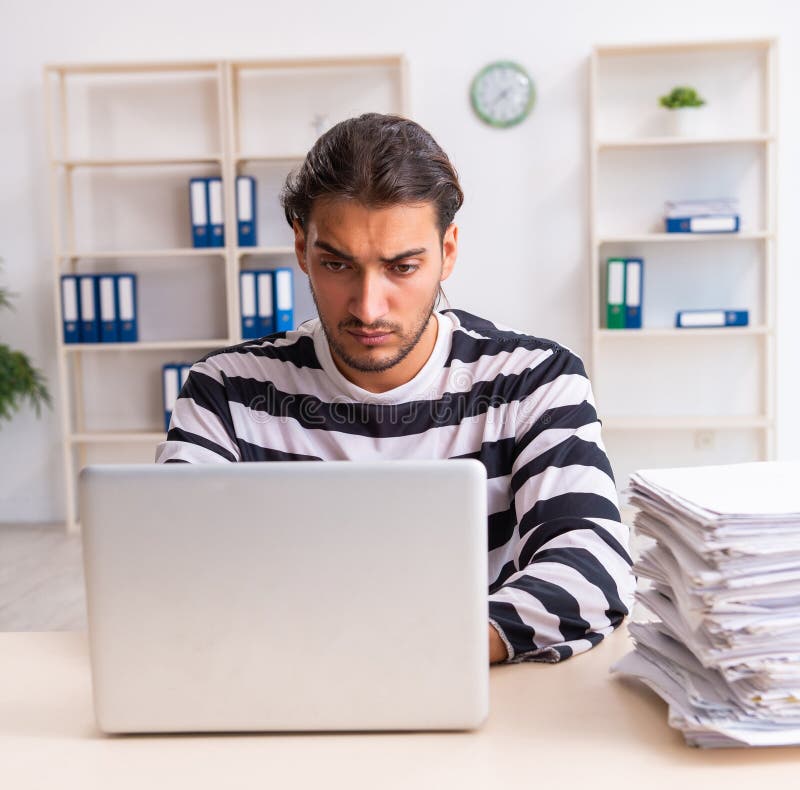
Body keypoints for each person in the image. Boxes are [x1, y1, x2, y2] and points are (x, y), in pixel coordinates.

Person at [156, 113, 635, 665]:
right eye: (336, 264)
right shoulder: (225, 391)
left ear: (448, 251)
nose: (367, 306)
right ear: (301, 248)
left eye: (402, 267)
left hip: (467, 678)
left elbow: (593, 567)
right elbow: (175, 567)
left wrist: (410, 650)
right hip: (280, 681)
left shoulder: (535, 381)